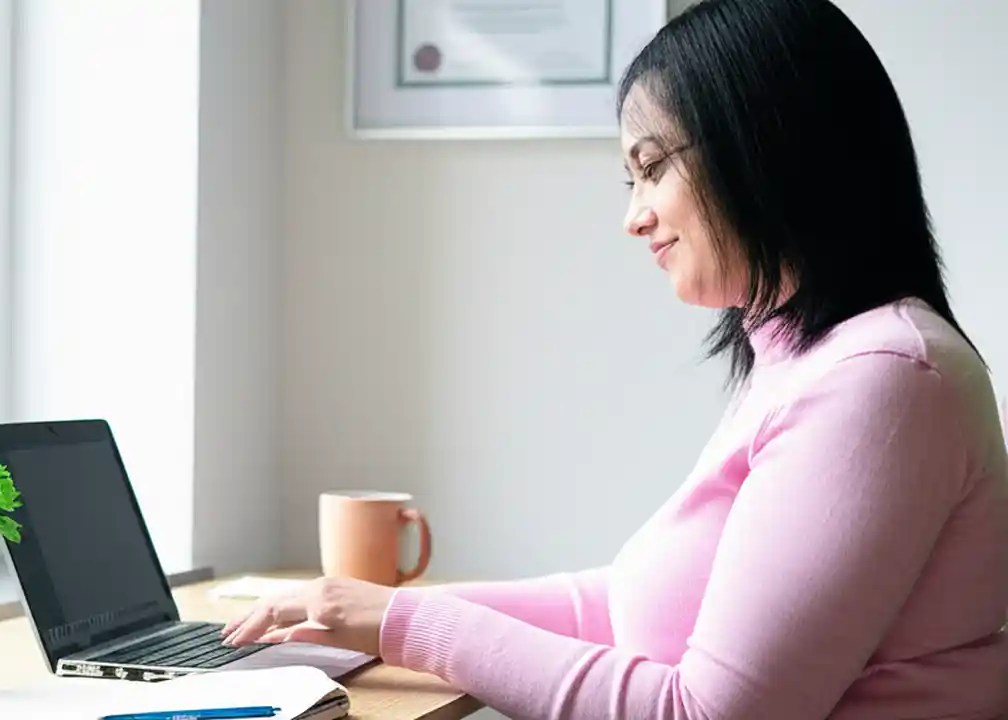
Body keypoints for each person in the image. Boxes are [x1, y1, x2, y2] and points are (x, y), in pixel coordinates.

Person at [223, 0, 1008, 717]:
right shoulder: (812, 362)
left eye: (652, 167)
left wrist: (407, 623)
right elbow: (620, 606)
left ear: (765, 140)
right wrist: (371, 612)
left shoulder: (884, 378)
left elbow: (709, 714)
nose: (634, 217)